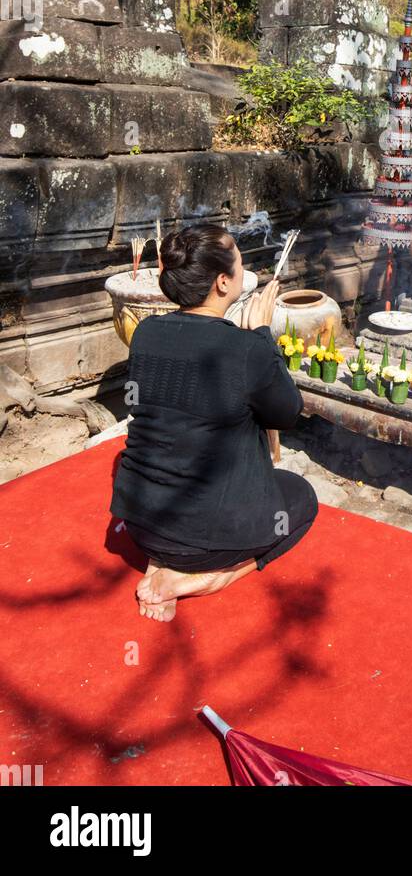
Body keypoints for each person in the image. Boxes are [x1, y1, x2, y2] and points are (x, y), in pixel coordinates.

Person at [110, 224, 317, 623]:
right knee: (300, 497)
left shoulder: (147, 332)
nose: (243, 267)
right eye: (239, 261)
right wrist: (262, 337)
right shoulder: (245, 348)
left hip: (140, 524)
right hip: (208, 541)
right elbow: (288, 413)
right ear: (223, 282)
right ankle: (215, 576)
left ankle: (162, 560)